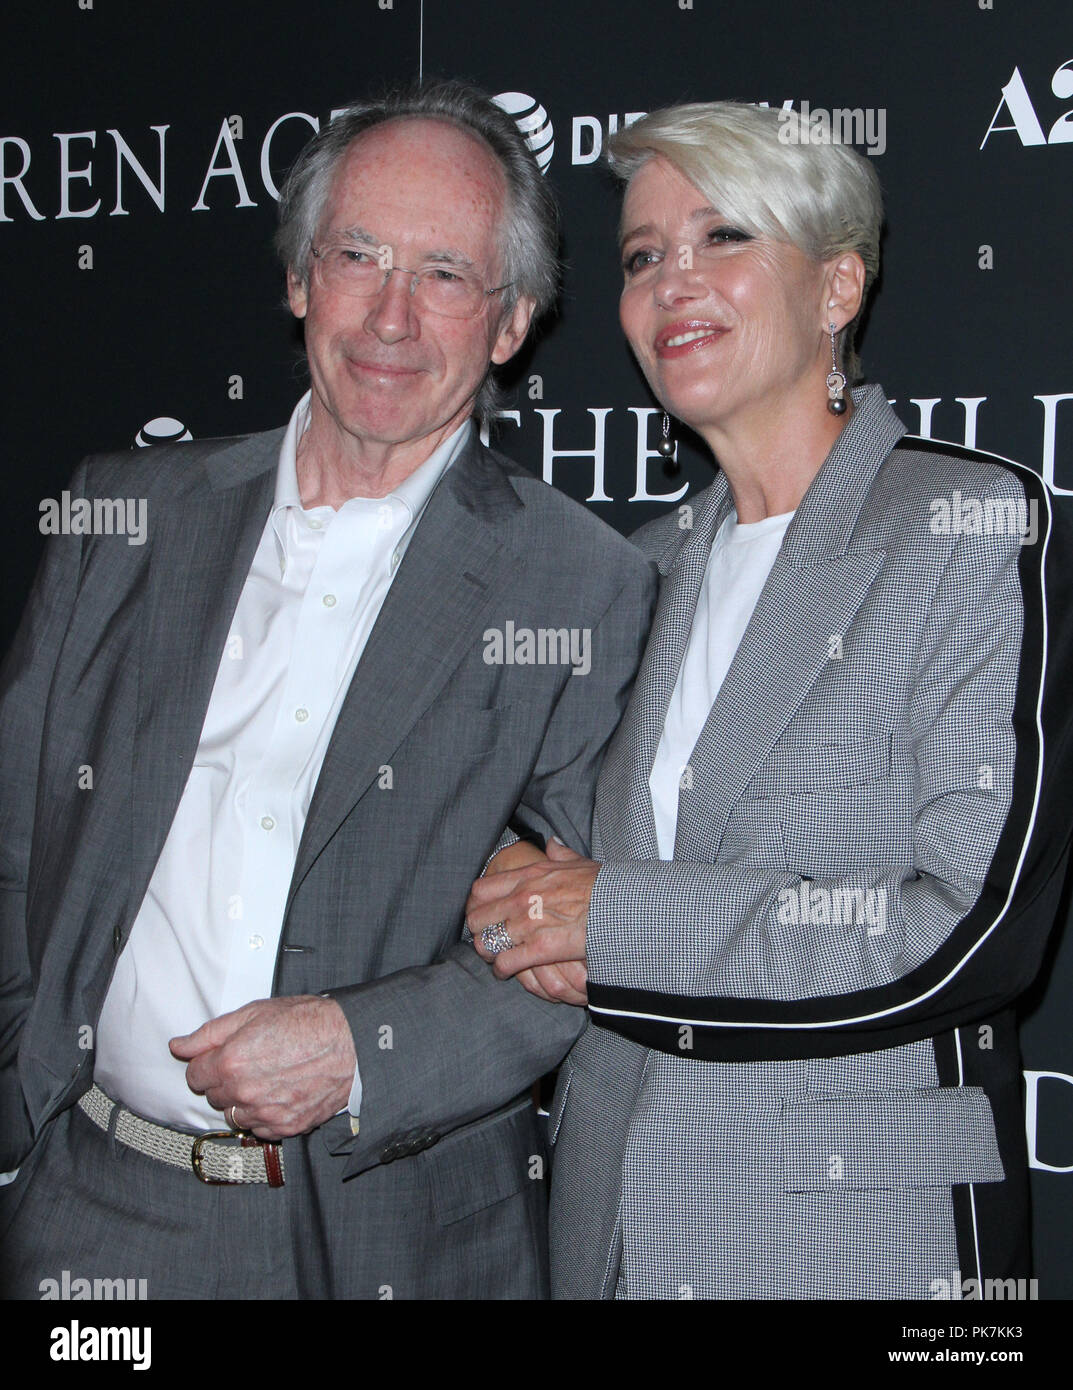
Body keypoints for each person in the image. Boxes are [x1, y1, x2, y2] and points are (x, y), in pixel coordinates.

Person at [0, 80, 655, 1300]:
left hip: (381, 1237)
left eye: (445, 274)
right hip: (88, 1217)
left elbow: (576, 950)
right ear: (301, 279)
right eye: (357, 255)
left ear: (509, 322)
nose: (390, 316)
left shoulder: (581, 584)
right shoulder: (124, 517)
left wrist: (360, 1047)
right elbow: (14, 839)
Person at [466, 100, 1073, 1299]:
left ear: (837, 286)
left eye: (723, 236)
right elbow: (526, 858)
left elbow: (972, 926)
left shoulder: (962, 526)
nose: (671, 282)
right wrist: (507, 906)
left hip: (849, 1246)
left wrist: (612, 918)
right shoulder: (635, 570)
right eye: (642, 255)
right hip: (606, 1231)